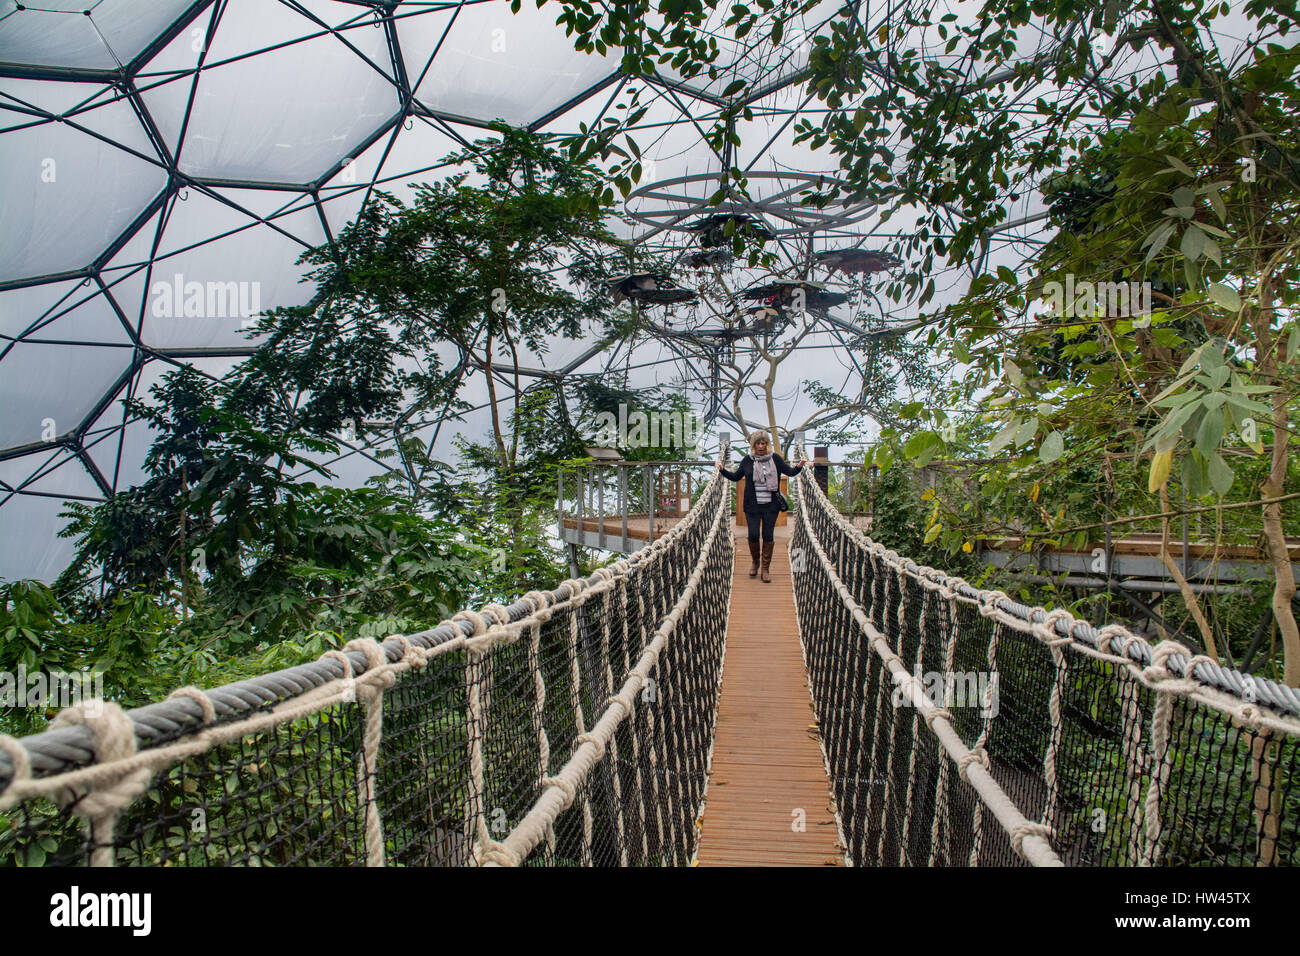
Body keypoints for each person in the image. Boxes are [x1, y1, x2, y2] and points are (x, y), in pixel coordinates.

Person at [717, 430, 808, 582]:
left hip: (770, 506)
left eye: (763, 443)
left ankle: (765, 569)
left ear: (767, 445)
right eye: (758, 443)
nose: (761, 446)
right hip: (752, 506)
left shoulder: (776, 459)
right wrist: (722, 470)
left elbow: (790, 472)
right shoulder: (748, 460)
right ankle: (755, 562)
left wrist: (799, 466)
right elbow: (736, 477)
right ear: (754, 445)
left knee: (768, 535)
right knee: (752, 534)